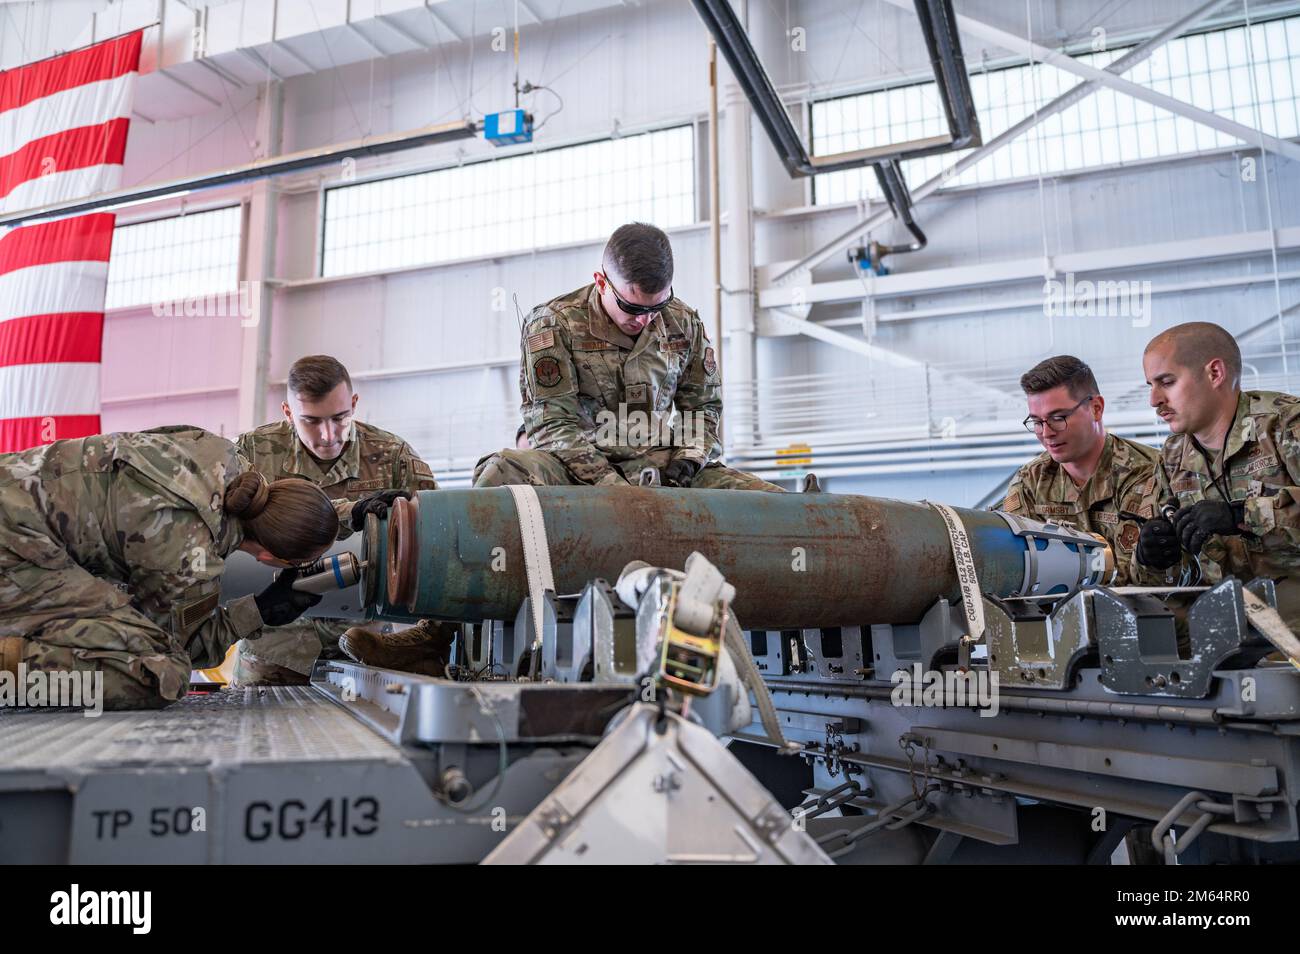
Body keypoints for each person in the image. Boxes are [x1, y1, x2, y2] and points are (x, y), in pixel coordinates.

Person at [0, 426, 337, 709]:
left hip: (15, 502)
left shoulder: (217, 451)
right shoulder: (190, 551)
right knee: (164, 674)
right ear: (269, 558)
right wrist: (258, 611)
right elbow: (177, 646)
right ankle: (8, 672)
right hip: (15, 551)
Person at [473, 222, 782, 492]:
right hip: (576, 469)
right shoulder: (554, 324)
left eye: (657, 307)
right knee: (502, 471)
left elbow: (703, 407)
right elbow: (554, 423)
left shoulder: (684, 323)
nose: (646, 320)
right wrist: (611, 486)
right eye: (633, 308)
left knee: (769, 502)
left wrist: (689, 459)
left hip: (661, 467)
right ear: (601, 282)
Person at [231, 355, 444, 684]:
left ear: (354, 404)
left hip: (369, 649)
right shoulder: (252, 454)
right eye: (311, 421)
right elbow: (224, 533)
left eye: (340, 418)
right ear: (288, 413)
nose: (328, 434)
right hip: (275, 650)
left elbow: (437, 539)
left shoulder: (393, 457)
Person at [1136, 321, 1300, 629]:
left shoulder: (1285, 427)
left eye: (1166, 382)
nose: (1154, 400)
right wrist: (1154, 557)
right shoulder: (1172, 458)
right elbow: (1173, 581)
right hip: (1226, 635)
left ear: (1214, 374)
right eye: (1151, 386)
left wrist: (1243, 515)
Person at [997, 356, 1161, 584]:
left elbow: (1142, 577)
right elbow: (1020, 571)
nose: (1047, 433)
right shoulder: (1030, 481)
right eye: (1037, 421)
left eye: (1058, 418)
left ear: (1096, 408)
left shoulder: (1147, 472)